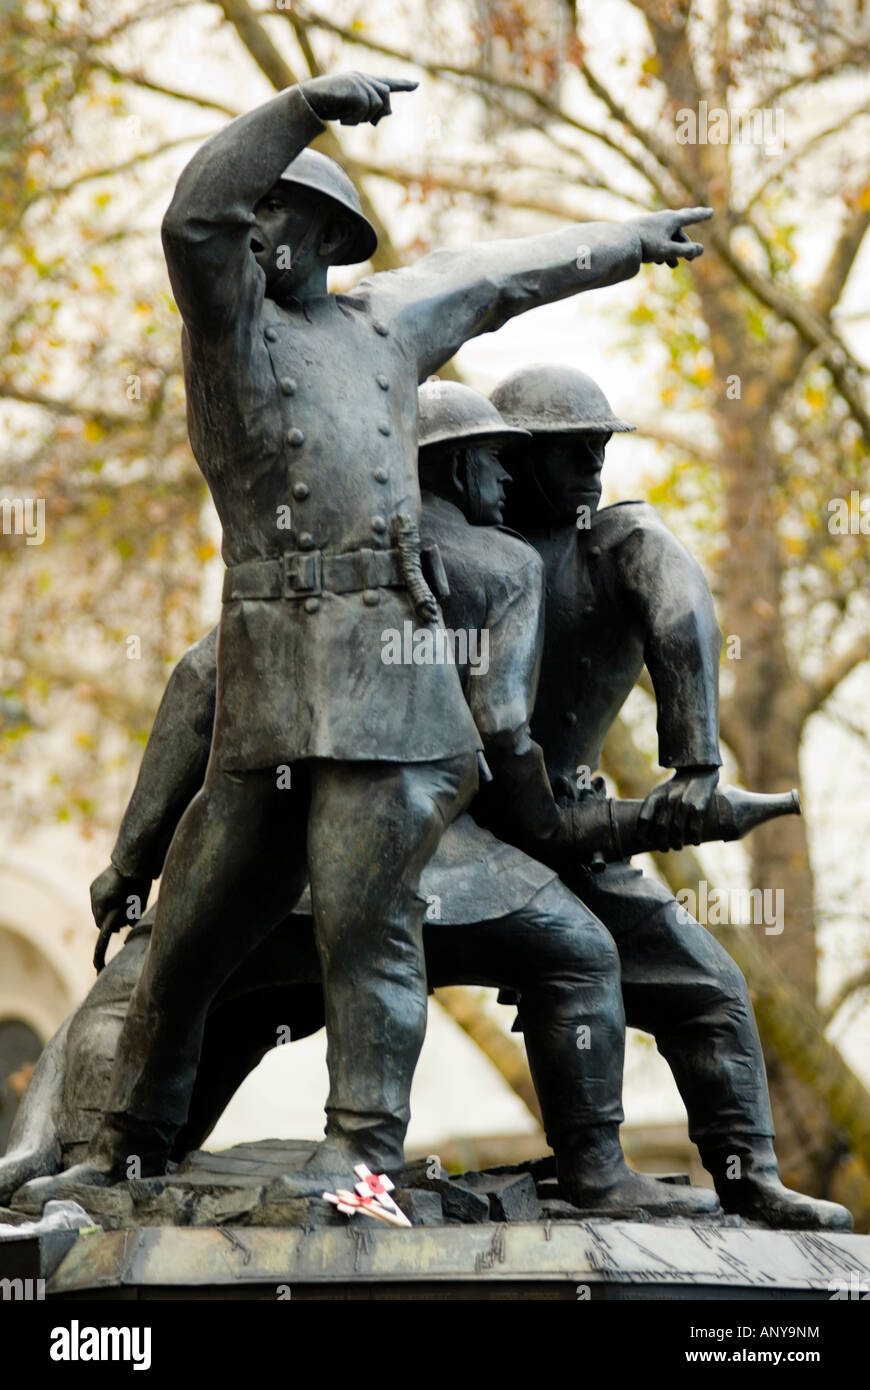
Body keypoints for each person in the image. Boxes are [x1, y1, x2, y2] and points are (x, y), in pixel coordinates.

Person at [31, 71, 713, 1196]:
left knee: (368, 926)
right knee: (190, 936)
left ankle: (362, 1159)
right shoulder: (227, 333)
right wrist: (300, 107)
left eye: (275, 219)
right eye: (248, 219)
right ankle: (122, 1146)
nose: (250, 236)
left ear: (322, 234)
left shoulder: (388, 326)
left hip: (393, 697)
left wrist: (630, 240)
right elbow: (189, 216)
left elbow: (498, 276)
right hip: (270, 685)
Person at [487, 363, 851, 1230]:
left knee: (707, 987)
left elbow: (680, 601)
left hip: (573, 830)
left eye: (599, 447)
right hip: (454, 827)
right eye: (568, 451)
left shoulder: (617, 543)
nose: (592, 466)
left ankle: (744, 1174)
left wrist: (695, 762)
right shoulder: (461, 545)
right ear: (510, 457)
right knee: (576, 962)